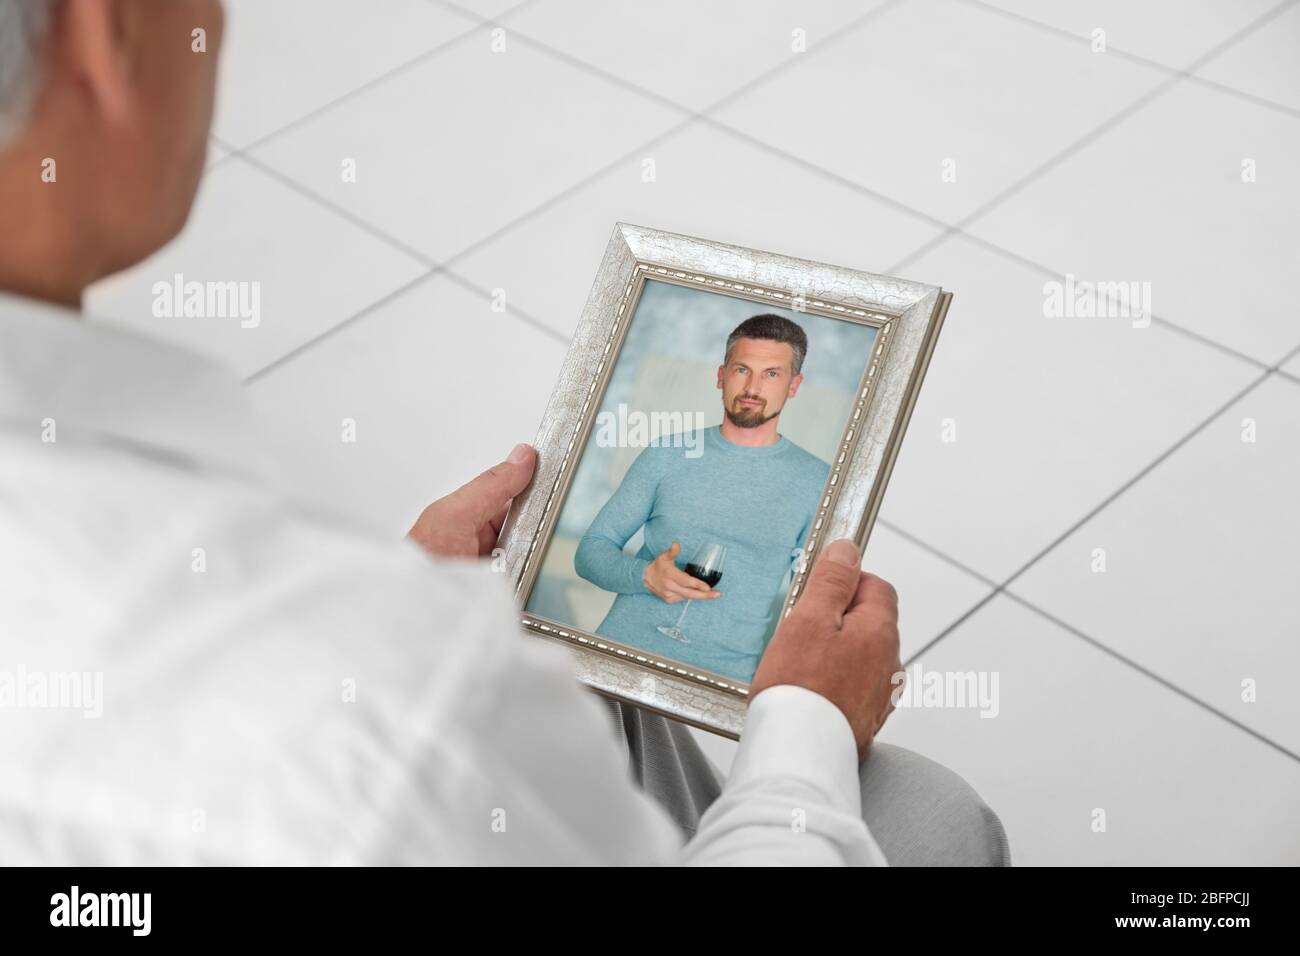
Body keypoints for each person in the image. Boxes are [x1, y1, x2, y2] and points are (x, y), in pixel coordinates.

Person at [0, 0, 1009, 865]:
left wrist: (404, 606)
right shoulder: (400, 732)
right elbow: (597, 561)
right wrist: (811, 718)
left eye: (769, 373)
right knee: (938, 811)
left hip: (632, 703)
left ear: (791, 384)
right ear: (105, 29)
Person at [575, 314, 830, 683]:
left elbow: (814, 601)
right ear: (721, 375)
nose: (752, 387)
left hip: (723, 680)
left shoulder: (818, 481)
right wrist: (643, 575)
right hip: (619, 655)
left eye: (772, 374)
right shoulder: (668, 453)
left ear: (794, 385)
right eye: (742, 370)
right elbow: (591, 552)